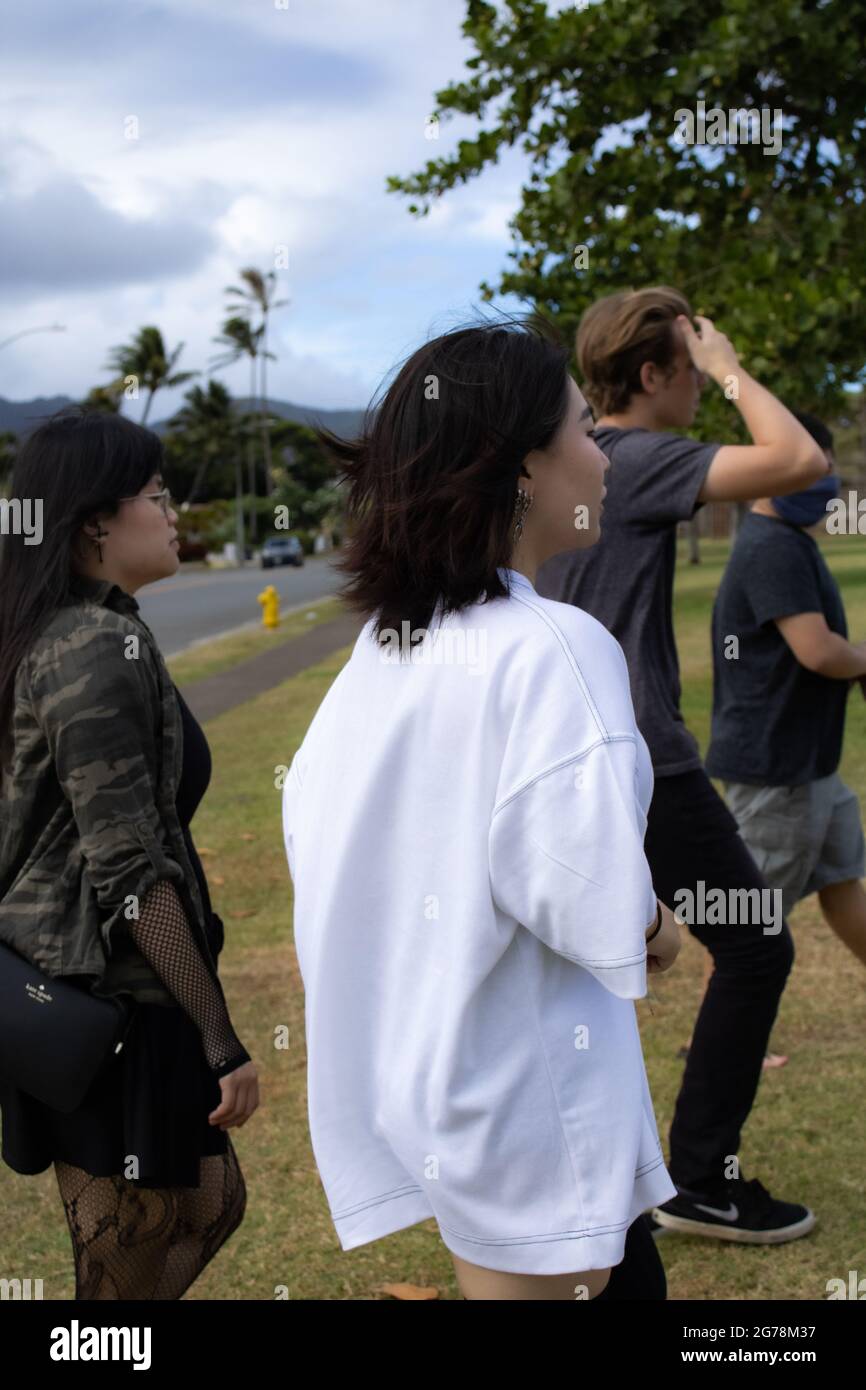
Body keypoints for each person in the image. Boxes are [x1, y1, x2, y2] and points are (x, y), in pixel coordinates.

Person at [282, 316, 682, 1301]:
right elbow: (594, 902)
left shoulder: (378, 658)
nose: (602, 457)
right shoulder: (553, 646)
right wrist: (656, 923)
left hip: (440, 1097)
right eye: (584, 429)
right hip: (534, 1116)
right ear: (519, 470)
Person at [535, 287, 828, 1243]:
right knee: (754, 947)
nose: (701, 380)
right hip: (644, 761)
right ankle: (698, 1179)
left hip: (576, 755)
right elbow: (799, 460)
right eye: (688, 362)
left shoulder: (577, 465)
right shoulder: (639, 455)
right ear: (654, 373)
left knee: (602, 968)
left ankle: (609, 1179)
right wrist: (734, 364)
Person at [0, 408, 258, 1300]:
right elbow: (127, 872)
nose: (174, 508)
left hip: (133, 990)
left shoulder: (108, 625)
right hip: (100, 1000)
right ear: (93, 523)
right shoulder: (84, 651)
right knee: (132, 1253)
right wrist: (220, 1038)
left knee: (209, 1205)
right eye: (155, 493)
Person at [705, 411, 866, 970]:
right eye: (814, 469)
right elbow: (818, 651)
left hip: (810, 766)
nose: (825, 485)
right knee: (747, 920)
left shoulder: (787, 540)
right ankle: (719, 1037)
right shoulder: (771, 546)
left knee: (842, 881)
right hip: (779, 772)